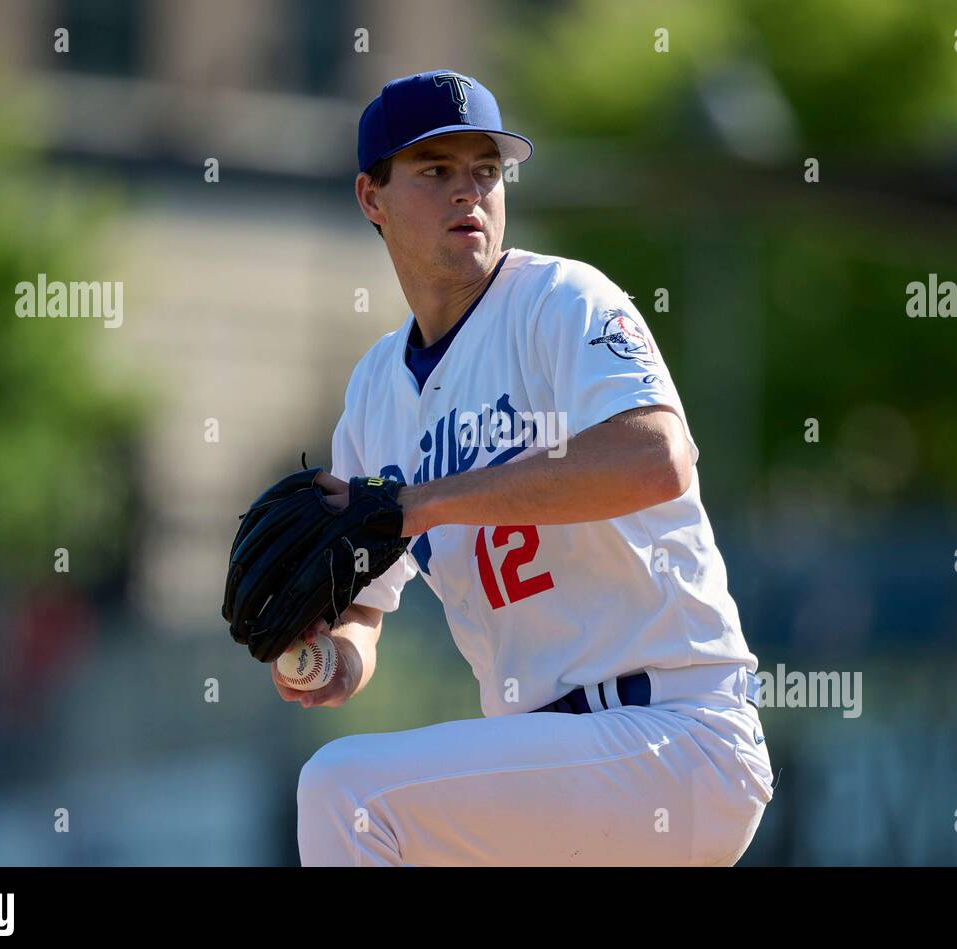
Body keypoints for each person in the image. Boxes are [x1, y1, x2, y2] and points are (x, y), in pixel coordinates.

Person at [281, 69, 773, 866]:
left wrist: (421, 502)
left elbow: (657, 457)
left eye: (486, 170)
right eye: (435, 171)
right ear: (372, 197)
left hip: (674, 737)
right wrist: (333, 658)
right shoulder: (377, 389)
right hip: (552, 766)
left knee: (347, 793)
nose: (467, 192)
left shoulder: (559, 303)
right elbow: (365, 607)